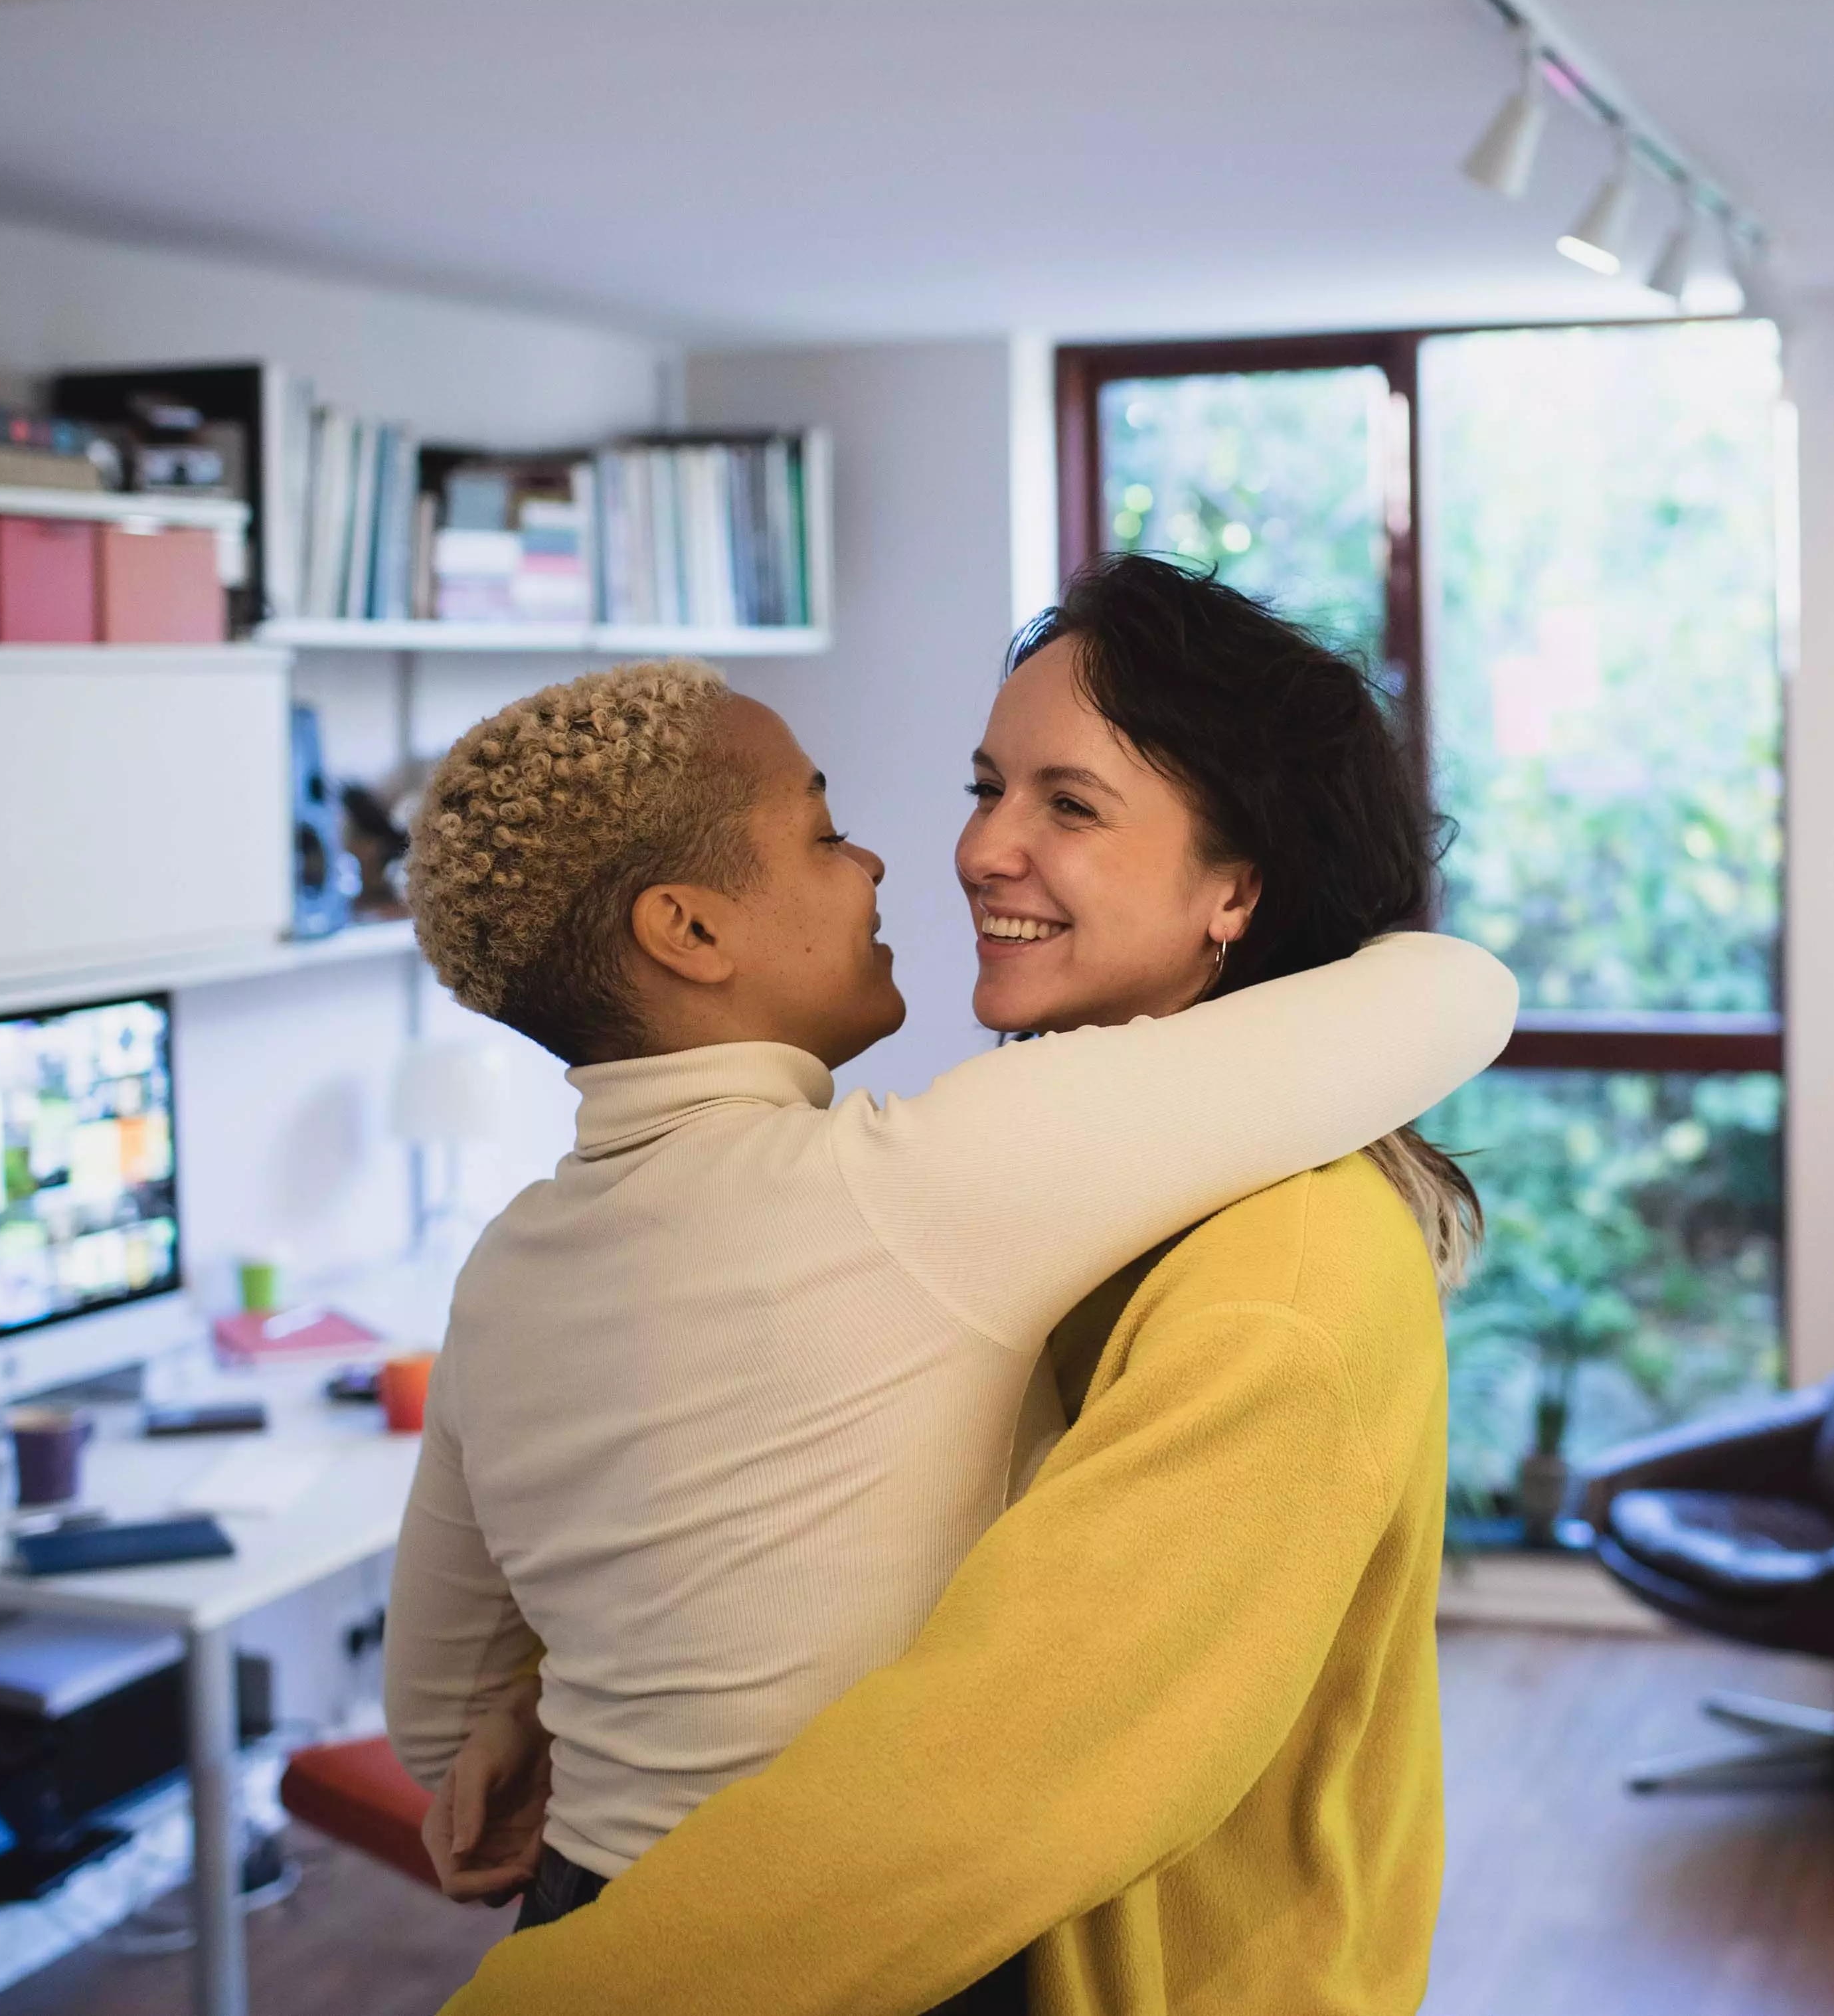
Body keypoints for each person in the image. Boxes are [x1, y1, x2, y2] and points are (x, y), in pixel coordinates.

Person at [381, 641, 1514, 2006]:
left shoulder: (505, 1264)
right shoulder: (918, 1191)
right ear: (688, 931)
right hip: (817, 1947)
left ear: (1237, 884)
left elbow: (436, 1707)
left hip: (612, 1908)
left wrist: (558, 1707)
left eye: (1069, 804)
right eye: (826, 830)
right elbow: (1458, 988)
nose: (945, 854)